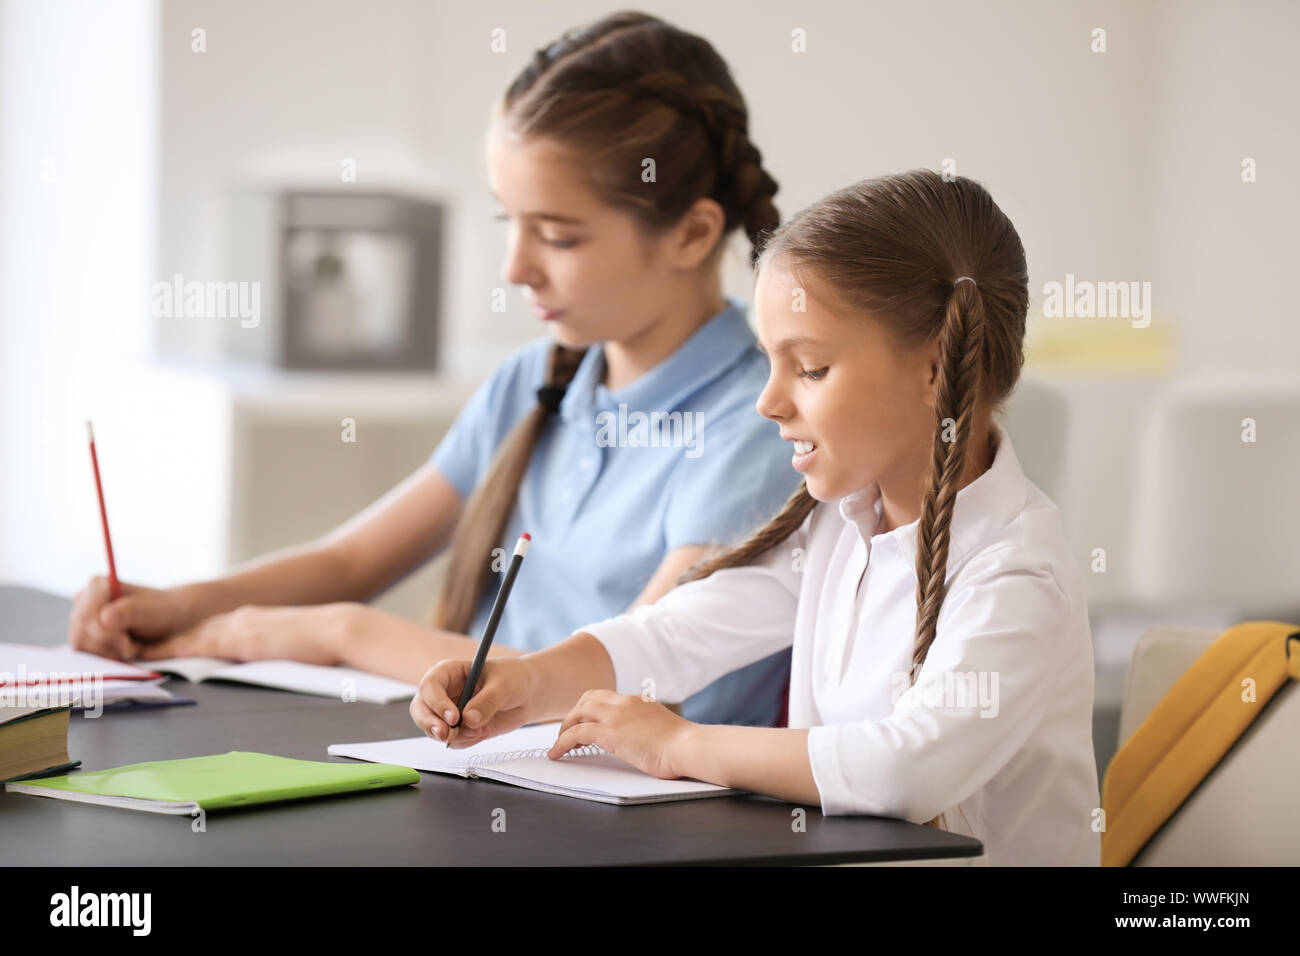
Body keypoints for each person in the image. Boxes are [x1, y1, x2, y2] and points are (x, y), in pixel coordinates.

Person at [68, 12, 802, 727]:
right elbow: (349, 561)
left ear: (693, 233)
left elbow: (632, 682)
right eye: (506, 222)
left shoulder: (758, 420)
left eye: (559, 236)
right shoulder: (536, 378)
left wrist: (343, 634)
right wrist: (180, 605)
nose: (516, 268)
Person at [411, 169, 1102, 866]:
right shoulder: (839, 524)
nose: (768, 401)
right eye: (771, 363)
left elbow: (905, 770)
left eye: (809, 368)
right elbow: (681, 632)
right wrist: (528, 683)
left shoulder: (1016, 576)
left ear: (933, 370)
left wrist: (680, 744)